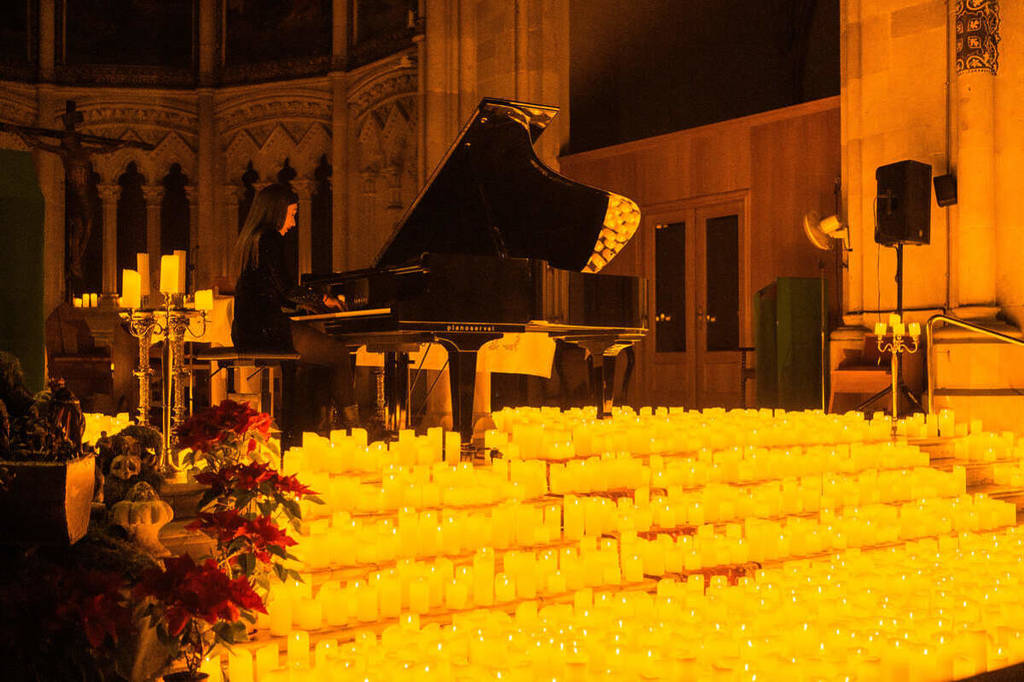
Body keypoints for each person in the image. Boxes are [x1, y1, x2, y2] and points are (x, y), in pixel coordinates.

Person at [231, 183, 359, 430]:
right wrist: (324, 300)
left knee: (317, 359)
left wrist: (307, 305)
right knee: (339, 355)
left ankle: (316, 424)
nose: (293, 223)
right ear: (276, 212)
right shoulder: (269, 238)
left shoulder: (252, 240)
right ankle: (354, 427)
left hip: (249, 329)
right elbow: (287, 290)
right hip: (265, 330)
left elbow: (277, 294)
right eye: (291, 215)